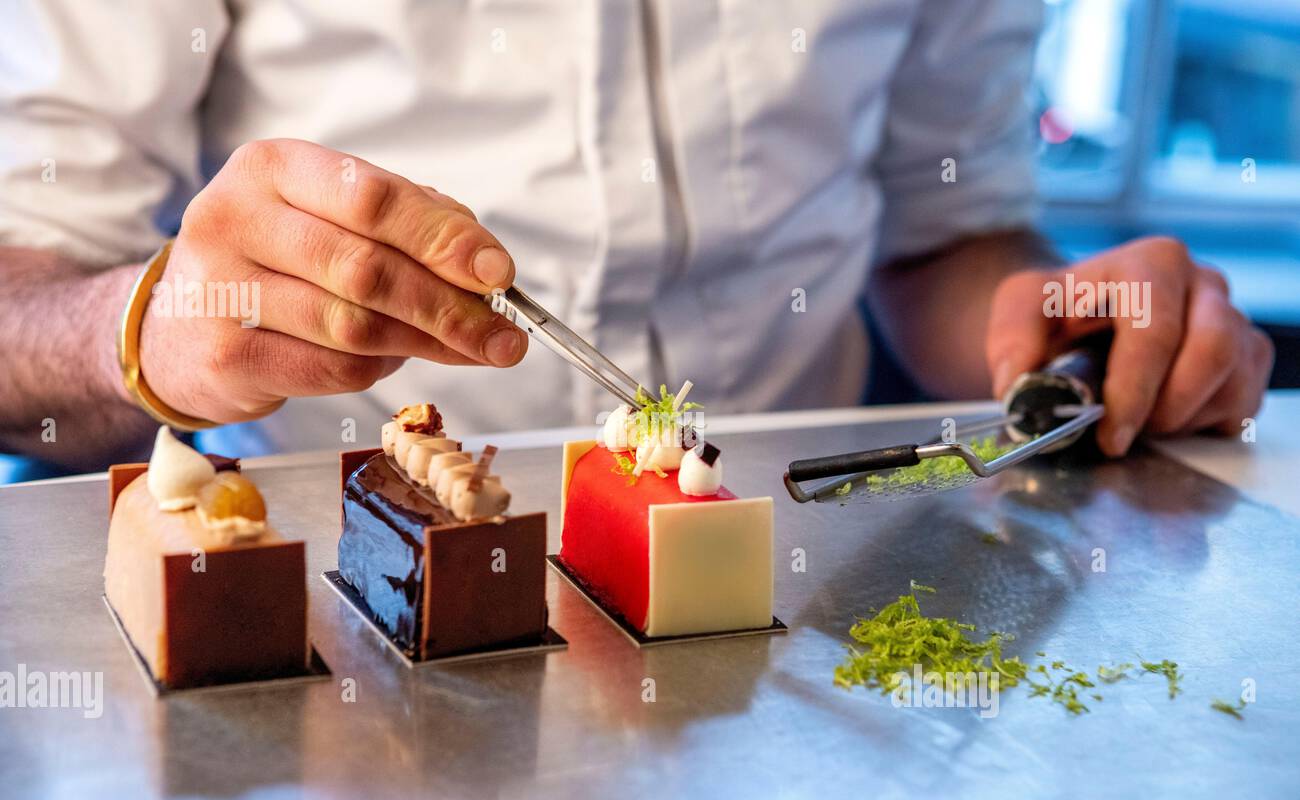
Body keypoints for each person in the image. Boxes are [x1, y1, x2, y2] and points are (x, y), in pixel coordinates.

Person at [0, 1, 1273, 471]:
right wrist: (150, 329)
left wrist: (1046, 325)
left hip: (797, 588)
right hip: (338, 600)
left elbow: (947, 230)